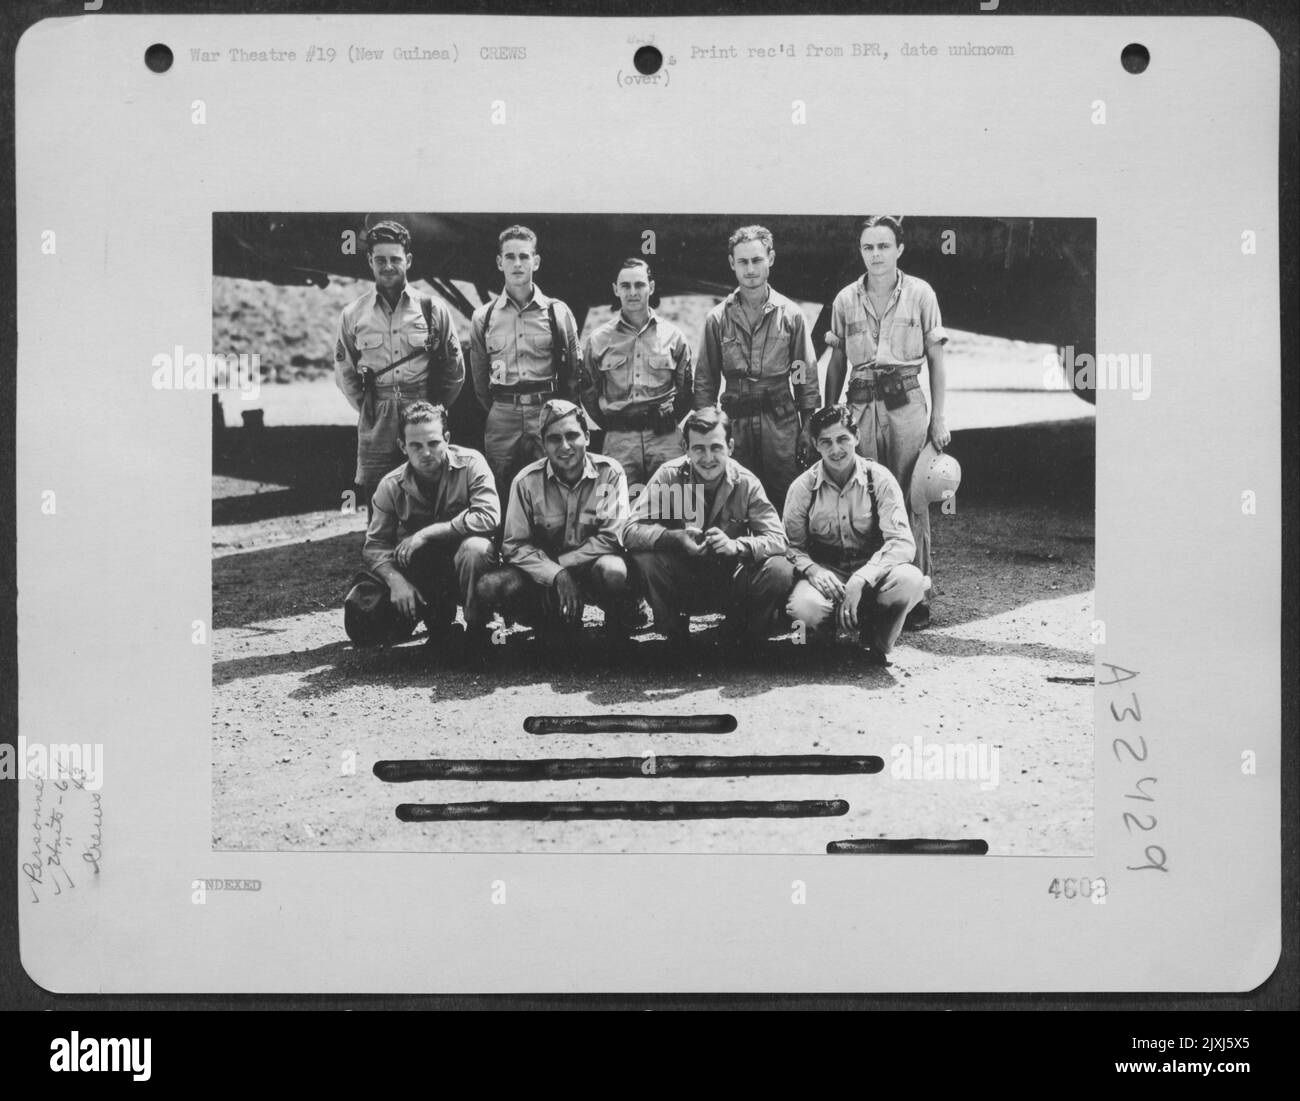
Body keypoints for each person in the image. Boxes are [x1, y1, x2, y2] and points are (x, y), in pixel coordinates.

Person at [821, 215, 949, 629]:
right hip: (859, 404)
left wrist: (939, 418)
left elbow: (936, 360)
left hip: (907, 403)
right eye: (868, 248)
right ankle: (876, 592)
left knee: (913, 497)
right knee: (868, 497)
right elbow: (837, 361)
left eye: (883, 246)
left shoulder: (920, 294)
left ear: (899, 249)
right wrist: (828, 417)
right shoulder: (845, 299)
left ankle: (918, 595)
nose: (876, 255)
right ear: (861, 251)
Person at [623, 407, 794, 650]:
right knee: (645, 556)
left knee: (780, 568)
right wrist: (675, 537)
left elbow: (778, 539)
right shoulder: (669, 476)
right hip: (683, 577)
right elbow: (630, 531)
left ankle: (745, 631)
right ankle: (674, 632)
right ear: (685, 449)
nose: (708, 458)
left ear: (731, 447)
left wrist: (736, 545)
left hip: (730, 579)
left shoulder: (746, 481)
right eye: (698, 448)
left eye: (716, 447)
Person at [475, 399, 636, 654]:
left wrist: (562, 565)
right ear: (543, 443)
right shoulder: (526, 481)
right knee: (490, 586)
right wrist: (555, 574)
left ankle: (617, 627)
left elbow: (611, 538)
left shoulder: (610, 473)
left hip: (590, 569)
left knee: (614, 570)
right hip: (545, 578)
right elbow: (514, 546)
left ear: (587, 436)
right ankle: (546, 620)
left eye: (572, 436)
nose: (564, 446)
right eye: (554, 439)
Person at [344, 402, 500, 659]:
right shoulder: (390, 486)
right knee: (365, 621)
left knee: (475, 549)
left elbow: (489, 516)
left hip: (473, 567)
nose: (426, 453)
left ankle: (478, 628)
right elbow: (375, 546)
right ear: (402, 446)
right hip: (427, 570)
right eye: (416, 445)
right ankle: (441, 629)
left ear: (447, 440)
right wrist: (397, 582)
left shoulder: (472, 464)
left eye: (434, 443)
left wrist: (426, 533)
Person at [784, 406, 927, 666]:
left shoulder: (879, 479)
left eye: (842, 439)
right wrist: (815, 571)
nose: (835, 450)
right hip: (827, 575)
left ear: (856, 437)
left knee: (910, 580)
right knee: (804, 607)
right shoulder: (803, 487)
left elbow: (902, 542)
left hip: (871, 574)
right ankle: (823, 636)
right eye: (826, 442)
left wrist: (862, 577)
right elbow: (791, 547)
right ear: (815, 444)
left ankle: (876, 640)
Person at [334, 220, 466, 502]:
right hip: (377, 412)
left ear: (408, 260)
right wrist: (369, 407)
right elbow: (345, 372)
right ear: (370, 261)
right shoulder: (354, 314)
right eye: (380, 260)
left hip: (421, 407)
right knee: (378, 491)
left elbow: (454, 369)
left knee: (428, 485)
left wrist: (435, 409)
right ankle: (379, 545)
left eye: (395, 259)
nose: (388, 266)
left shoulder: (432, 309)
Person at [693, 225, 821, 512]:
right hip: (735, 421)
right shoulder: (717, 319)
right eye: (743, 262)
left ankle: (784, 555)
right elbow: (705, 381)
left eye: (757, 260)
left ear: (770, 259)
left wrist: (807, 425)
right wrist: (706, 432)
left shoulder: (791, 316)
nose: (750, 269)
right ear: (732, 264)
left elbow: (805, 376)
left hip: (780, 422)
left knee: (785, 497)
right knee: (733, 496)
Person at [469, 225, 582, 498]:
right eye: (509, 257)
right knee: (500, 486)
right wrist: (502, 405)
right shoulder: (483, 317)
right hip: (502, 414)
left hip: (546, 411)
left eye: (524, 256)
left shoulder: (558, 312)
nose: (517, 264)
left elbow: (573, 374)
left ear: (536, 261)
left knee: (554, 483)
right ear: (499, 262)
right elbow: (480, 378)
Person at [578, 258, 694, 486]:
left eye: (639, 285)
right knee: (612, 511)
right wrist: (615, 423)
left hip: (665, 439)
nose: (633, 292)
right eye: (625, 286)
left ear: (651, 287)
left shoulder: (674, 336)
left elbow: (687, 390)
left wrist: (668, 419)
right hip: (619, 441)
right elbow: (588, 392)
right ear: (615, 289)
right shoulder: (599, 339)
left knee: (678, 509)